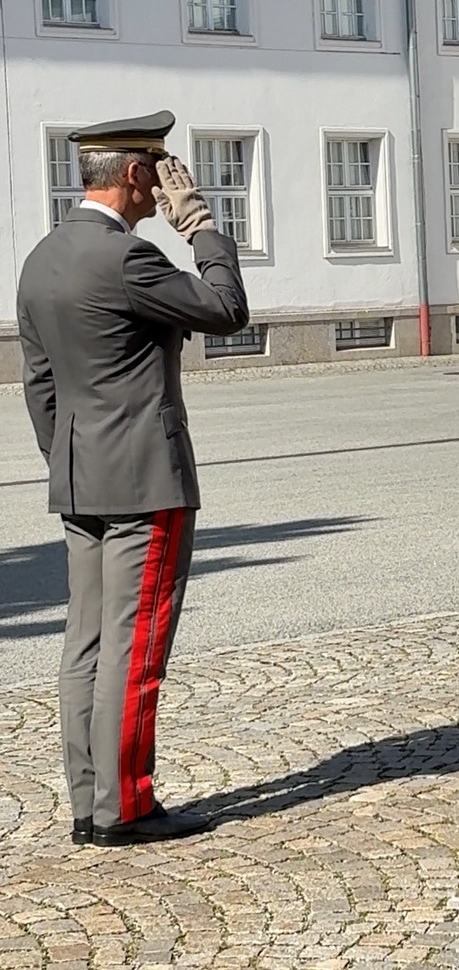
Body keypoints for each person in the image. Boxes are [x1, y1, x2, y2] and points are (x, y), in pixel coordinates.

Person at [16, 112, 249, 847]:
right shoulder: (127, 258)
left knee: (85, 644)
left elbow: (39, 384)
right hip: (146, 481)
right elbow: (226, 310)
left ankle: (91, 802)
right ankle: (126, 807)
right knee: (134, 647)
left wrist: (70, 461)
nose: (166, 187)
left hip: (82, 479)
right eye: (160, 172)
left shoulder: (43, 256)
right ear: (136, 176)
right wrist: (204, 229)